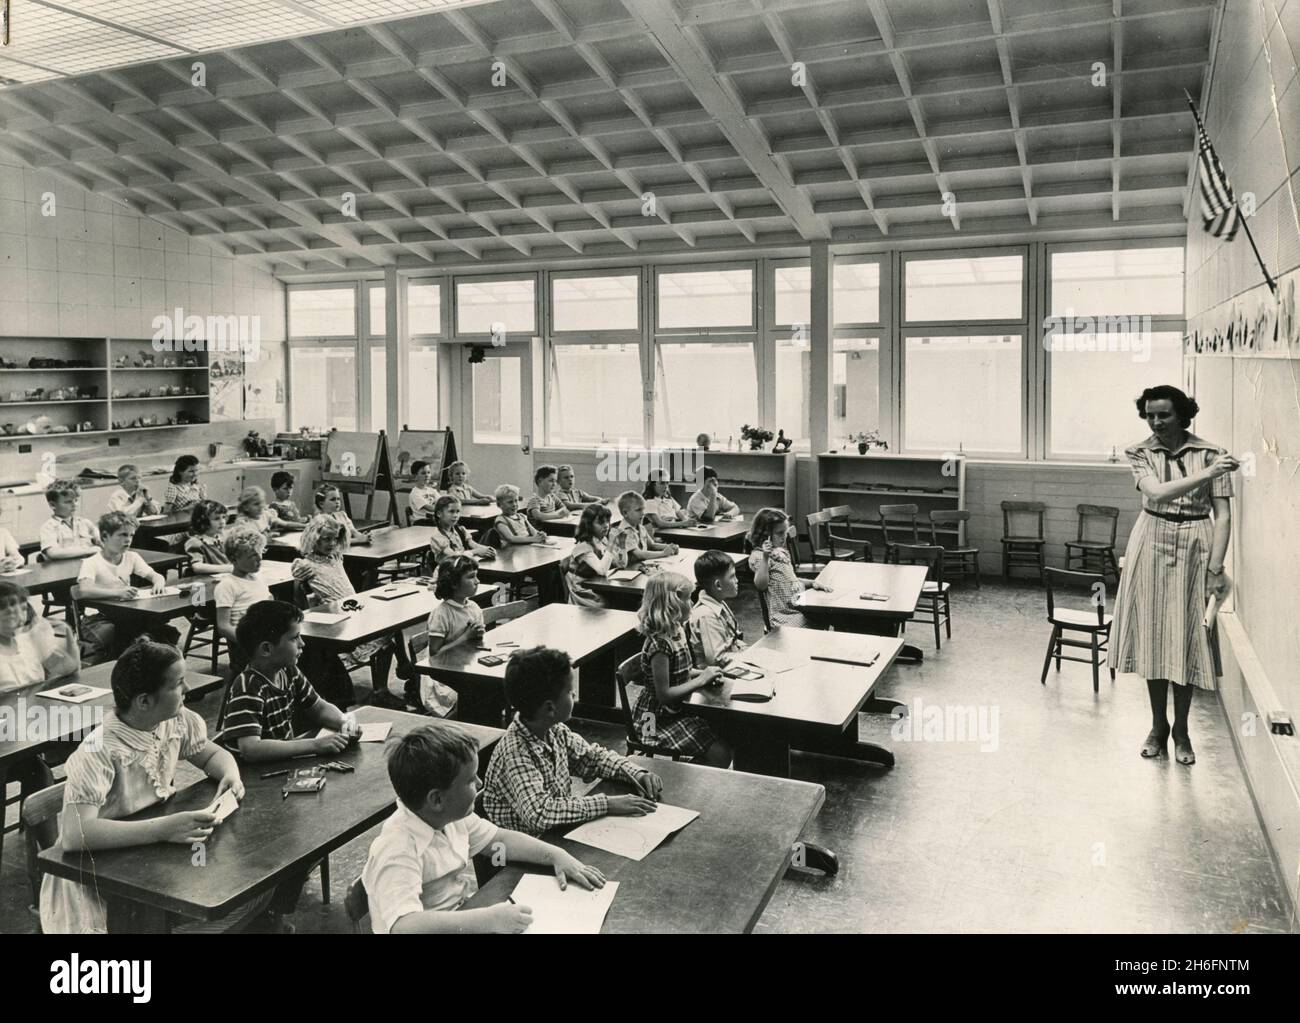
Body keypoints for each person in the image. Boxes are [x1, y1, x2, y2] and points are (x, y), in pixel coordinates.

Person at [39, 638, 261, 934]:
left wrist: (229, 773)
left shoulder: (171, 721)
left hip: (147, 855)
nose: (187, 690)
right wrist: (163, 829)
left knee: (248, 885)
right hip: (95, 875)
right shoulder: (99, 751)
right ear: (144, 701)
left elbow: (210, 754)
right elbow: (75, 836)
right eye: (178, 684)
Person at [360, 723, 605, 933]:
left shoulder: (450, 818)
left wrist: (555, 855)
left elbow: (499, 841)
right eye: (470, 780)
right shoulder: (397, 848)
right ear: (437, 800)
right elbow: (404, 926)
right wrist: (487, 920)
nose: (480, 783)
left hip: (461, 917)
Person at [1109, 385, 1236, 766]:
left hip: (1197, 540)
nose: (1156, 422)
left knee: (1186, 637)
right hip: (1151, 538)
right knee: (1153, 636)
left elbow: (1224, 516)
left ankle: (1181, 730)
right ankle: (1157, 726)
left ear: (1182, 414)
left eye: (1164, 414)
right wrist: (1210, 473)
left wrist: (1217, 568)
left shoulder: (1210, 453)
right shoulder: (1139, 452)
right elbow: (1157, 493)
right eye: (1150, 415)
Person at [481, 645, 660, 835]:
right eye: (569, 691)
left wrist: (636, 773)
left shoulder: (555, 730)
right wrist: (607, 804)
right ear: (550, 708)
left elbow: (593, 759)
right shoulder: (515, 752)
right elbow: (540, 814)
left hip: (554, 837)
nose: (574, 695)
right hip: (522, 852)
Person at [292, 516, 401, 708]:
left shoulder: (335, 557)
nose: (331, 543)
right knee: (386, 636)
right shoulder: (305, 565)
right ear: (314, 539)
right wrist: (299, 587)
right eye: (326, 539)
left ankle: (384, 686)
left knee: (392, 625)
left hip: (351, 608)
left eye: (334, 539)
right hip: (335, 618)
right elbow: (301, 602)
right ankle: (387, 684)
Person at [634, 571, 732, 767]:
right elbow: (664, 695)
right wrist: (700, 680)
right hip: (653, 721)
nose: (692, 604)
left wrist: (705, 673)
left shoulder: (677, 630)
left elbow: (682, 672)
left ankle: (693, 773)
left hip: (675, 710)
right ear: (672, 605)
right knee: (721, 753)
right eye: (688, 599)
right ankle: (686, 779)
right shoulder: (660, 645)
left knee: (726, 731)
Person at [748, 508, 830, 627]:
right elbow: (761, 585)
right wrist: (766, 558)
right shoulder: (760, 556)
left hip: (798, 608)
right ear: (766, 535)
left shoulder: (781, 553)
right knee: (819, 625)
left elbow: (791, 580)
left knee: (826, 617)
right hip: (784, 616)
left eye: (785, 533)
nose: (784, 537)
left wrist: (812, 583)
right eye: (780, 533)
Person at [213, 527, 273, 669]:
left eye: (260, 553)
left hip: (266, 637)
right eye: (252, 556)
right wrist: (249, 641)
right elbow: (223, 626)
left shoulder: (259, 578)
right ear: (234, 559)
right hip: (245, 645)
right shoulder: (227, 585)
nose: (259, 559)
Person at [689, 549, 747, 666]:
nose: (737, 580)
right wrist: (748, 656)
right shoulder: (706, 615)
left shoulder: (718, 602)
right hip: (717, 676)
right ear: (718, 585)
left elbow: (732, 639)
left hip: (733, 661)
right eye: (732, 577)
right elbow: (717, 659)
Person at [427, 496, 496, 581]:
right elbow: (454, 556)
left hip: (462, 569)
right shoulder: (437, 536)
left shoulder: (460, 529)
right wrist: (477, 552)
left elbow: (473, 544)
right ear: (439, 514)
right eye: (451, 512)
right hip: (447, 575)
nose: (455, 515)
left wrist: (487, 549)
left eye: (458, 511)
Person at [564, 504, 616, 608]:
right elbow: (602, 570)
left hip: (598, 586)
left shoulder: (602, 541)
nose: (606, 525)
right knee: (619, 603)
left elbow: (621, 563)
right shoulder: (583, 547)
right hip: (583, 592)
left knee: (625, 600)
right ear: (589, 525)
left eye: (607, 521)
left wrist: (622, 544)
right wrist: (611, 545)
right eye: (601, 522)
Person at [609, 490, 678, 567]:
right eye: (638, 510)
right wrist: (663, 553)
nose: (643, 513)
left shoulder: (640, 527)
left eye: (643, 509)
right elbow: (639, 554)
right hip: (629, 570)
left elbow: (652, 545)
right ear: (625, 513)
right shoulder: (623, 531)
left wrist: (669, 547)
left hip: (642, 566)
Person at [39, 481, 100, 560]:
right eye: (68, 502)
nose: (74, 505)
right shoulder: (48, 527)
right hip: (63, 568)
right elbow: (52, 553)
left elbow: (102, 542)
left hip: (88, 566)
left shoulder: (85, 523)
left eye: (76, 500)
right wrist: (87, 551)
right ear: (52, 505)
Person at [184, 499, 233, 576]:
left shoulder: (222, 538)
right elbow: (197, 567)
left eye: (223, 517)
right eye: (217, 519)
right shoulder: (196, 542)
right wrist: (227, 568)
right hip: (206, 580)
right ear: (203, 522)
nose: (222, 521)